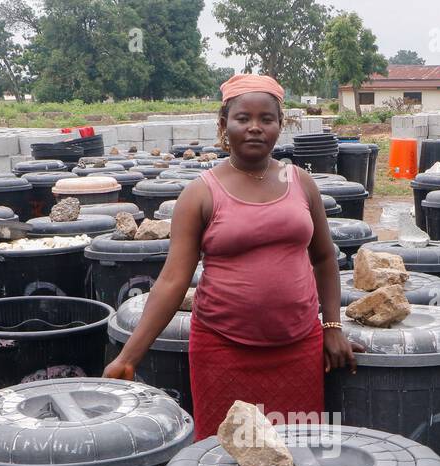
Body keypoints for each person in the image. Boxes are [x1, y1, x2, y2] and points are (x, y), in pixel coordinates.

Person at [103, 73, 358, 439]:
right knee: (226, 465)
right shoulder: (200, 194)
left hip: (298, 349)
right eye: (243, 119)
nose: (255, 128)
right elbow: (173, 281)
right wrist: (129, 357)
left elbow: (324, 259)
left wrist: (331, 327)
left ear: (279, 125)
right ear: (224, 124)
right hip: (222, 352)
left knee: (298, 458)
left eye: (266, 119)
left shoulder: (300, 182)